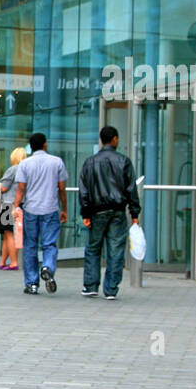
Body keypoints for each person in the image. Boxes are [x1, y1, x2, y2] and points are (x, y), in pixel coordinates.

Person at [79, 125, 141, 300]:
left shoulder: (90, 162)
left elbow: (83, 190)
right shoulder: (124, 161)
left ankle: (90, 285)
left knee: (93, 248)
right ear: (114, 139)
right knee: (115, 249)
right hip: (117, 211)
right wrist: (134, 213)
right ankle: (111, 288)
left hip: (96, 211)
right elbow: (131, 189)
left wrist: (85, 213)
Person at [11, 132, 68, 295]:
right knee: (49, 244)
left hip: (30, 210)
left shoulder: (25, 164)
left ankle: (32, 284)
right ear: (45, 144)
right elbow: (62, 188)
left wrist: (15, 207)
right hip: (50, 209)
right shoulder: (57, 162)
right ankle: (47, 267)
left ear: (31, 146)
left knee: (30, 246)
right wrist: (64, 208)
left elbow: (21, 189)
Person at [0, 147, 26, 270]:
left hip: (8, 205)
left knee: (9, 235)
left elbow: (3, 187)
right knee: (8, 235)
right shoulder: (26, 169)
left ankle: (13, 262)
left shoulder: (12, 169)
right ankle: (2, 261)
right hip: (21, 204)